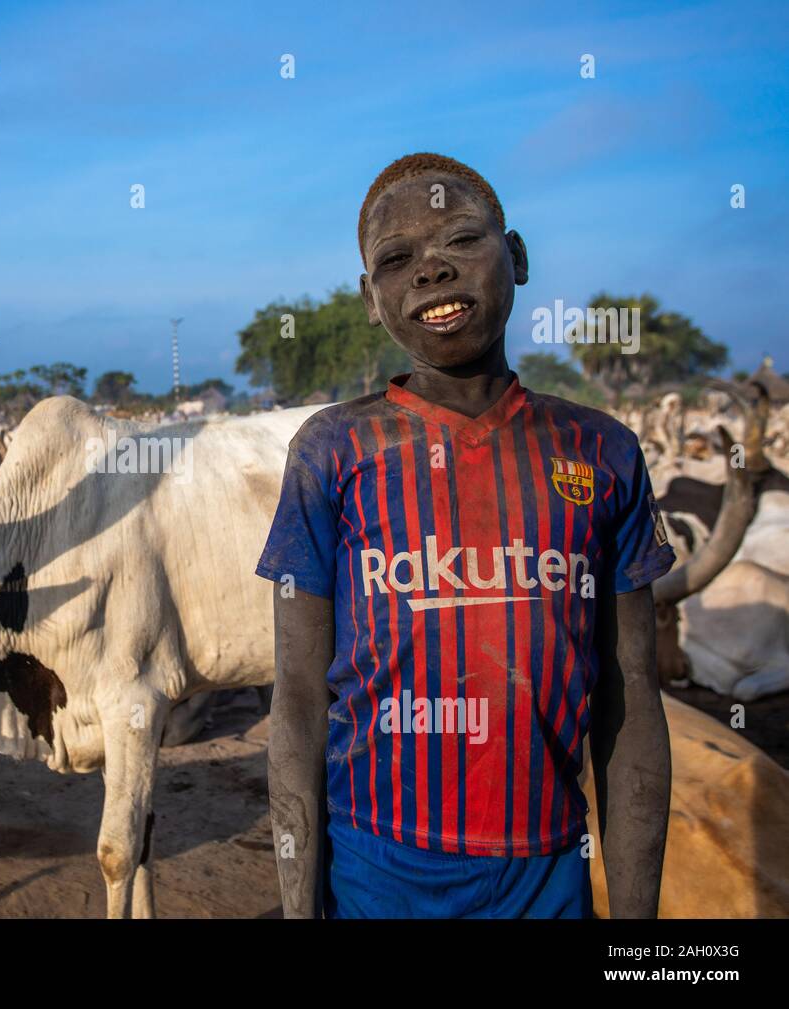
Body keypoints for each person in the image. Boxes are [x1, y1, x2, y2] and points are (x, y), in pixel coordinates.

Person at [259, 153, 674, 918]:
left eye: (459, 240)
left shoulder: (600, 449)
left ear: (514, 256)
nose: (431, 271)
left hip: (546, 872)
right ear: (369, 298)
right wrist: (297, 901)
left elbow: (632, 697)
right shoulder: (332, 451)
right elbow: (297, 700)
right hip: (374, 868)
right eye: (397, 258)